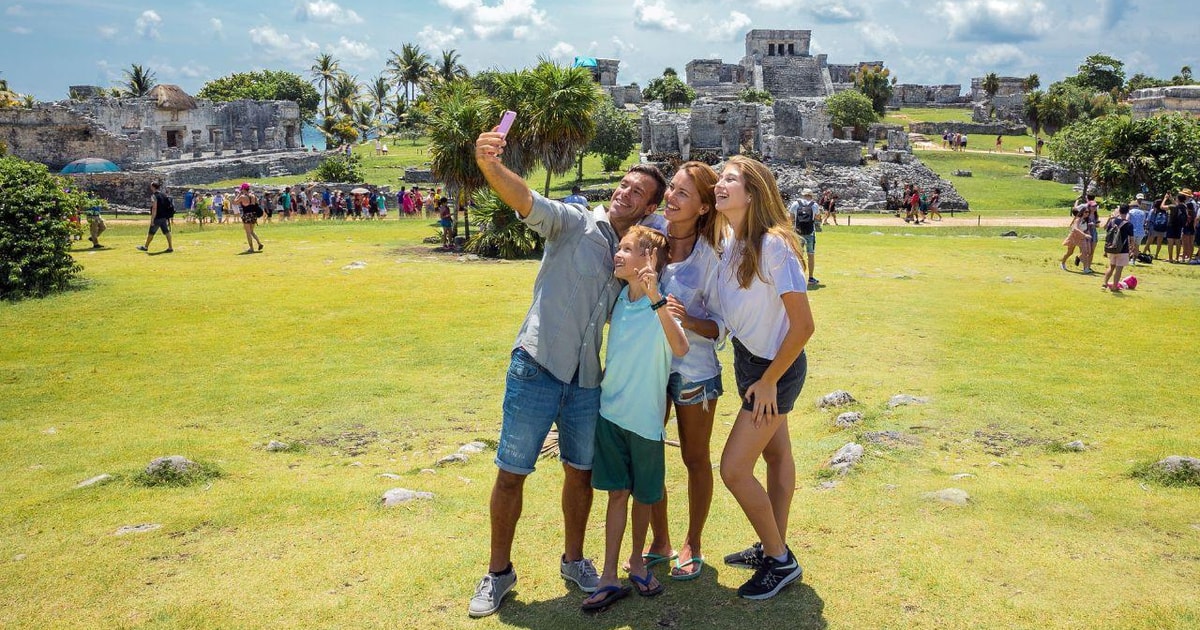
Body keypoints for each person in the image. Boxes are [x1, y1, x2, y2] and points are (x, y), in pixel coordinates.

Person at [467, 125, 668, 618]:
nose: (625, 192)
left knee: (580, 475)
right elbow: (528, 201)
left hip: (585, 381)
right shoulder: (575, 222)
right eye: (624, 184)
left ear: (648, 207)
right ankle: (498, 572)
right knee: (511, 473)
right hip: (537, 365)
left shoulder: (634, 255)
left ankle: (574, 560)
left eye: (637, 192)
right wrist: (491, 165)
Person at [712, 156, 815, 601]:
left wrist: (770, 380)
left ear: (752, 193)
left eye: (729, 179)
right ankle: (774, 545)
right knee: (776, 455)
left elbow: (804, 326)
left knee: (733, 469)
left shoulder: (775, 245)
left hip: (776, 370)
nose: (719, 184)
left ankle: (780, 559)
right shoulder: (734, 240)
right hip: (750, 363)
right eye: (719, 178)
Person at [582, 226, 689, 611]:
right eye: (619, 247)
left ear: (649, 259)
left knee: (643, 497)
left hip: (645, 422)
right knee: (616, 494)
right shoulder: (618, 301)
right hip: (610, 414)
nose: (618, 253)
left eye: (627, 249)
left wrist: (657, 297)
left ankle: (638, 562)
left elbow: (681, 347)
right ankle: (610, 575)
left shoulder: (664, 305)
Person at [642, 162, 725, 582]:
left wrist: (688, 319)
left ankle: (693, 541)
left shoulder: (713, 257)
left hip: (695, 373)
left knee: (695, 458)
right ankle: (660, 540)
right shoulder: (649, 238)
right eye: (671, 188)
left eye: (683, 193)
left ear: (704, 207)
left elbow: (721, 326)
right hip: (648, 367)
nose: (671, 197)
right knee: (649, 454)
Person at [787, 188, 819, 285]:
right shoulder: (814, 205)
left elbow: (791, 218)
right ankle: (811, 278)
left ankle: (798, 277)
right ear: (811, 195)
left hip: (798, 233)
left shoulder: (796, 204)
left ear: (803, 195)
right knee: (811, 254)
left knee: (798, 255)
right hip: (810, 233)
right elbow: (817, 217)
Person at [1102, 204, 1135, 291]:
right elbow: (1132, 239)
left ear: (1119, 211)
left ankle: (1104, 283)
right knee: (1119, 269)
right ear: (1128, 212)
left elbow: (1107, 232)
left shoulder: (1112, 221)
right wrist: (1132, 249)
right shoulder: (1129, 224)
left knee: (1111, 267)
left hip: (1112, 247)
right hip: (1123, 249)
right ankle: (1114, 287)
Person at [137, 182, 174, 253]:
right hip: (164, 217)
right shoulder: (164, 195)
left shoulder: (154, 196)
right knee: (167, 232)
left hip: (157, 217)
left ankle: (145, 247)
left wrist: (152, 219)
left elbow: (154, 208)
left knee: (151, 232)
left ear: (153, 187)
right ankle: (170, 247)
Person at [1060, 200, 1092, 271]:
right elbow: (1075, 228)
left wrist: (1088, 233)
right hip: (1074, 237)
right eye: (1086, 212)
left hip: (1082, 238)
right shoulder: (1078, 219)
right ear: (1082, 212)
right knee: (1070, 252)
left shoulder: (1086, 220)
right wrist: (1085, 235)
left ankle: (1086, 269)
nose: (1087, 213)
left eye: (1088, 212)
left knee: (1085, 252)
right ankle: (1062, 263)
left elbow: (1086, 229)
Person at [235, 183, 264, 253]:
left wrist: (238, 194)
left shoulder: (242, 197)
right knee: (252, 231)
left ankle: (251, 248)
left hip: (246, 215)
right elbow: (256, 204)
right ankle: (259, 243)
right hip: (253, 215)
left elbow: (235, 202)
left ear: (243, 189)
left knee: (248, 232)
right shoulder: (253, 196)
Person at [1128, 194, 1147, 263]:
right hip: (1141, 232)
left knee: (1130, 246)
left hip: (1132, 231)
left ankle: (1128, 259)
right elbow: (1144, 222)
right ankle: (1133, 261)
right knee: (1137, 247)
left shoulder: (1130, 212)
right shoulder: (1143, 213)